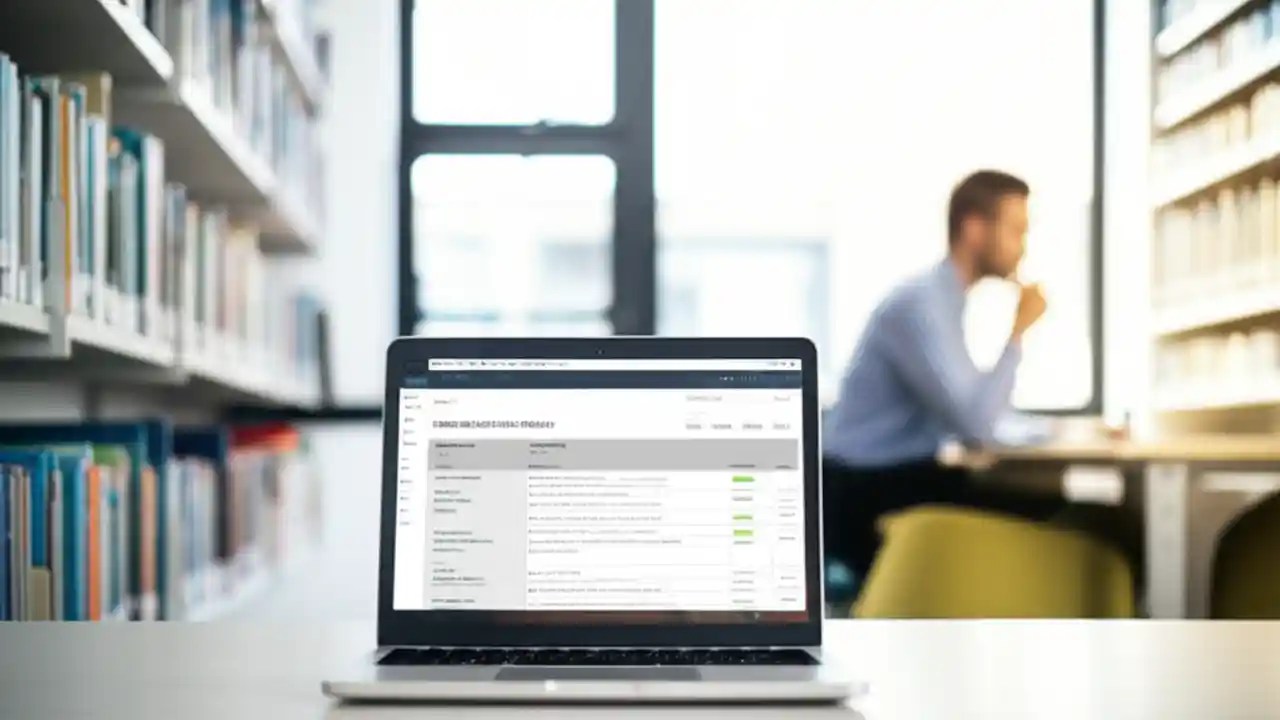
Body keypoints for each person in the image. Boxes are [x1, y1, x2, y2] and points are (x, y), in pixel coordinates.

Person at [822, 169, 1070, 582]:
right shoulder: (920, 307)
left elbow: (977, 408)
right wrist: (1019, 331)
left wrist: (1048, 429)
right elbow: (976, 425)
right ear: (974, 229)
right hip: (864, 492)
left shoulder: (945, 302)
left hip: (895, 477)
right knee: (1059, 510)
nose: (1022, 248)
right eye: (1016, 231)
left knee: (1055, 502)